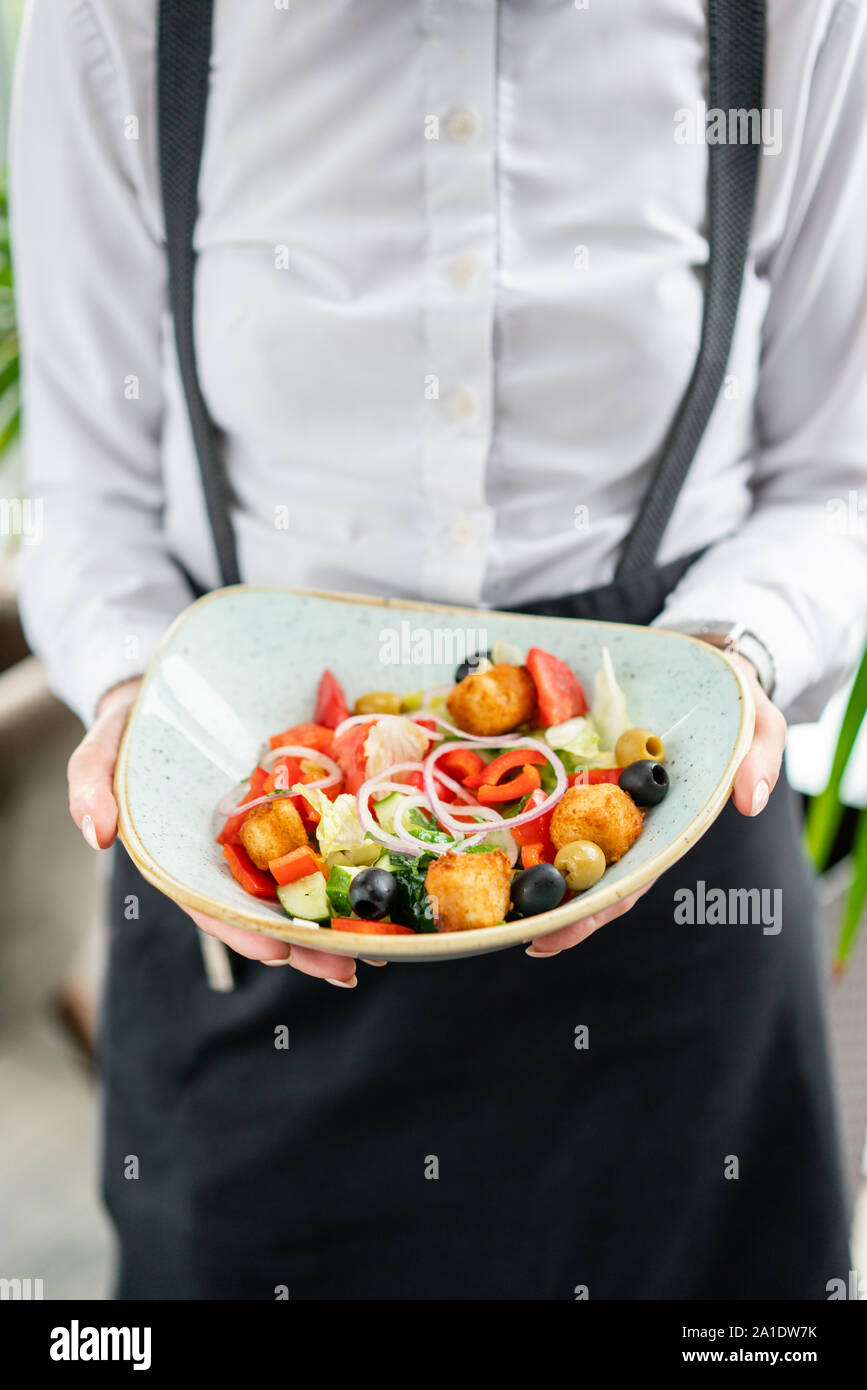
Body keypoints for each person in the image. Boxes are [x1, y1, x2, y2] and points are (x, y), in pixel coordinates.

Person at [10, 0, 865, 1299]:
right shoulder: (118, 20)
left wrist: (721, 666)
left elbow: (840, 477)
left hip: (672, 900)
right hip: (240, 897)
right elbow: (87, 492)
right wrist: (147, 696)